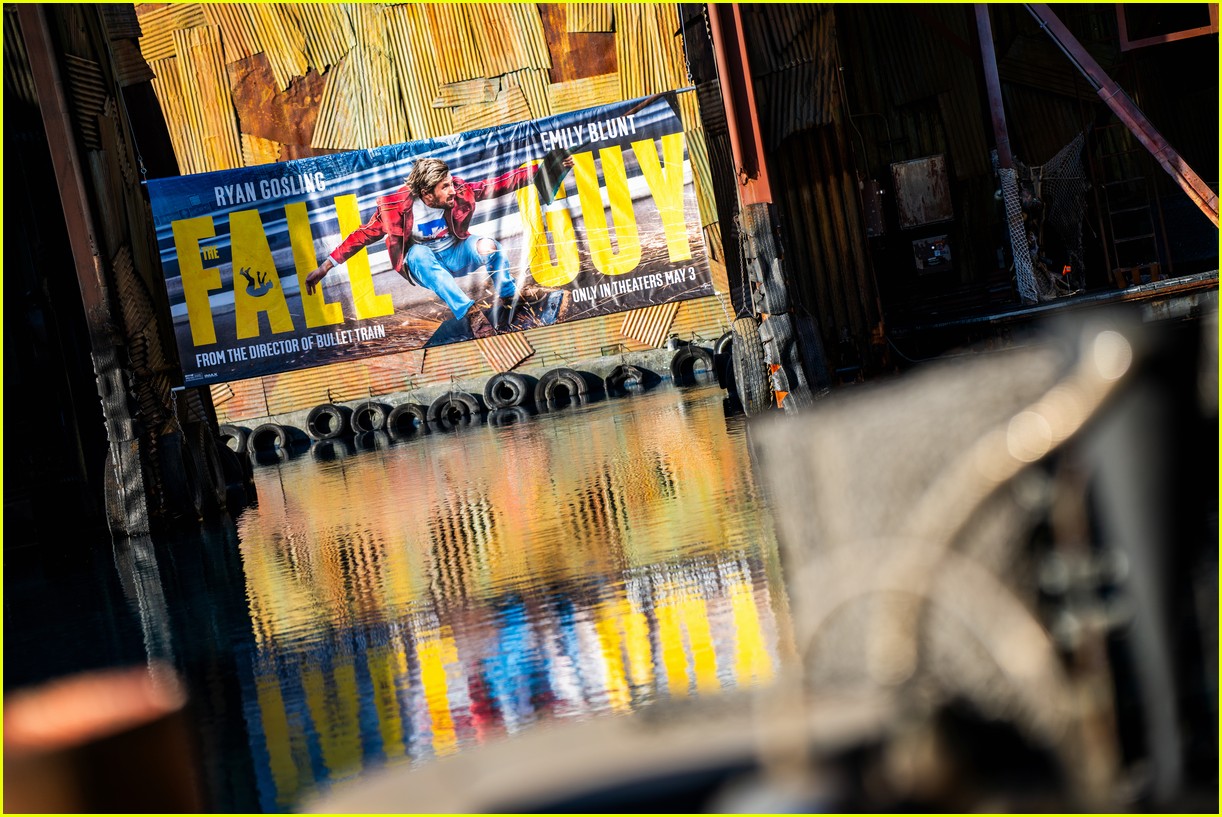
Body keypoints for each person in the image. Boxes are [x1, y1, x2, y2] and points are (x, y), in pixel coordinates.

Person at [306, 156, 572, 339]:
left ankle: (510, 296)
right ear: (426, 193)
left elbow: (499, 183)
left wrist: (543, 169)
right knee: (419, 254)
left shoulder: (459, 190)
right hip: (425, 264)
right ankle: (469, 313)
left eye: (451, 183)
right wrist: (325, 267)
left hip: (454, 253)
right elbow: (362, 235)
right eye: (445, 187)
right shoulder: (394, 207)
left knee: (489, 245)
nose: (452, 190)